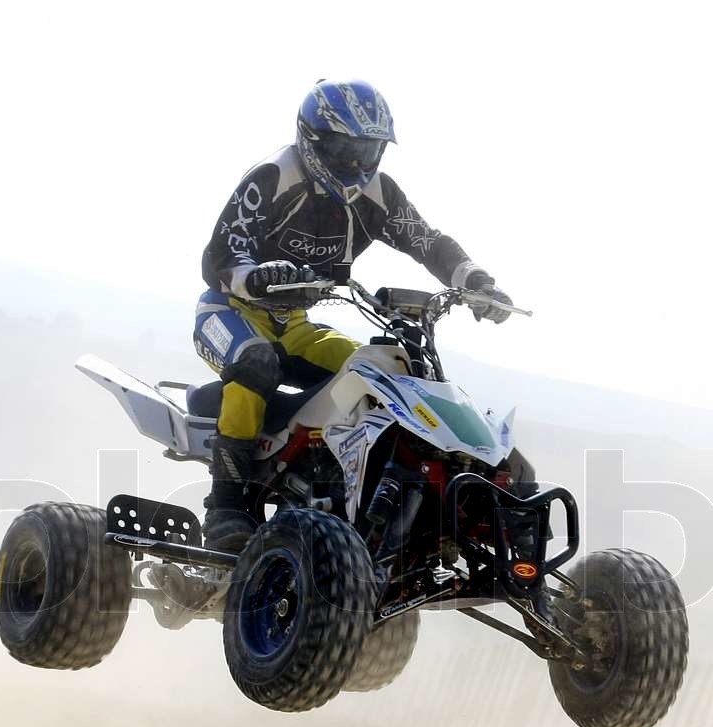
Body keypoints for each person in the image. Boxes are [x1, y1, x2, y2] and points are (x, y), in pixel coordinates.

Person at [194, 79, 513, 551]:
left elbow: (426, 240)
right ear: (313, 136)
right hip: (229, 313)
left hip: (298, 327)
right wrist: (254, 276)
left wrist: (474, 279)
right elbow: (218, 256)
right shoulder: (273, 177)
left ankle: (350, 491)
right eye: (345, 146)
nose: (355, 162)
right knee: (257, 361)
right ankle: (225, 504)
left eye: (368, 149)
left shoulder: (379, 194)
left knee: (384, 368)